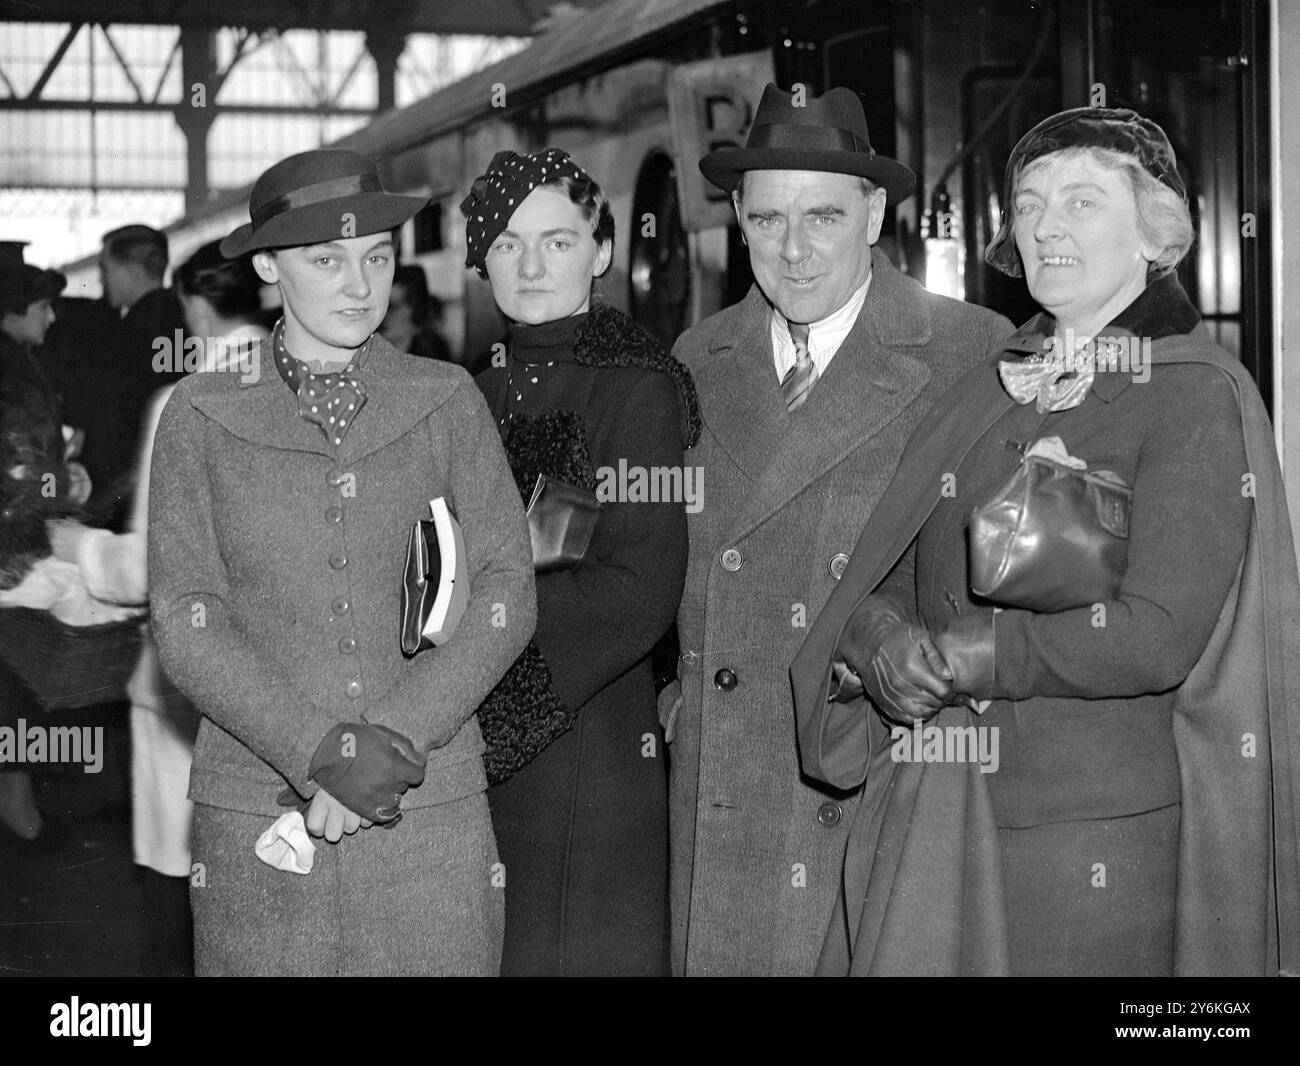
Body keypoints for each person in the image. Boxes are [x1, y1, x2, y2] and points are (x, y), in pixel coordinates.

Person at [792, 107, 1300, 977]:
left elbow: (1157, 633)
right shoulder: (987, 385)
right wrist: (875, 641)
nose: (1047, 226)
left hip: (1087, 850)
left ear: (1155, 234)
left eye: (1083, 202)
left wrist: (976, 658)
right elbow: (896, 572)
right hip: (938, 812)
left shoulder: (1192, 393)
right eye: (1029, 204)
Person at [147, 148, 536, 976]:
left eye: (377, 257)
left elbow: (508, 589)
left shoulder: (446, 400)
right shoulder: (199, 417)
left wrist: (387, 745)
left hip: (428, 815)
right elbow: (186, 623)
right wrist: (325, 753)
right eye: (326, 260)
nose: (360, 286)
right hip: (261, 818)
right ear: (264, 267)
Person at [659, 84, 1013, 976]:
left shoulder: (969, 349)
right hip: (724, 784)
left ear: (874, 213)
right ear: (737, 216)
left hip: (868, 773)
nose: (795, 248)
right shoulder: (698, 358)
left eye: (822, 215)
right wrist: (678, 698)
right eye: (769, 218)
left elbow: (988, 575)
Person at [467, 148, 697, 975]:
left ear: (602, 253)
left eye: (558, 241)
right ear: (480, 257)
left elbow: (639, 588)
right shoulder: (478, 392)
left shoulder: (637, 386)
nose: (529, 264)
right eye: (506, 242)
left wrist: (474, 667)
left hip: (581, 742)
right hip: (479, 736)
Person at [48, 240, 270, 974]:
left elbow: (149, 570)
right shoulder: (315, 387)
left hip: (185, 688)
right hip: (281, 685)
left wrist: (71, 544)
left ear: (195, 309)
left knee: (176, 872)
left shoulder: (182, 400)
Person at [0, 242, 88, 843]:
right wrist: (68, 488)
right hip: (13, 548)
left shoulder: (14, 363)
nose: (52, 318)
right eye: (43, 307)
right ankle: (16, 796)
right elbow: (19, 473)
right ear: (16, 310)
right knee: (16, 678)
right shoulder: (15, 373)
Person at [91, 224, 187, 527]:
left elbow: (125, 419)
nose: (100, 278)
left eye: (105, 268)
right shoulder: (178, 317)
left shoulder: (137, 328)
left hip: (133, 491)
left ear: (130, 269)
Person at [381, 264, 453, 362]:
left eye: (392, 307)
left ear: (416, 311)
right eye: (381, 306)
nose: (383, 315)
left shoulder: (432, 359)